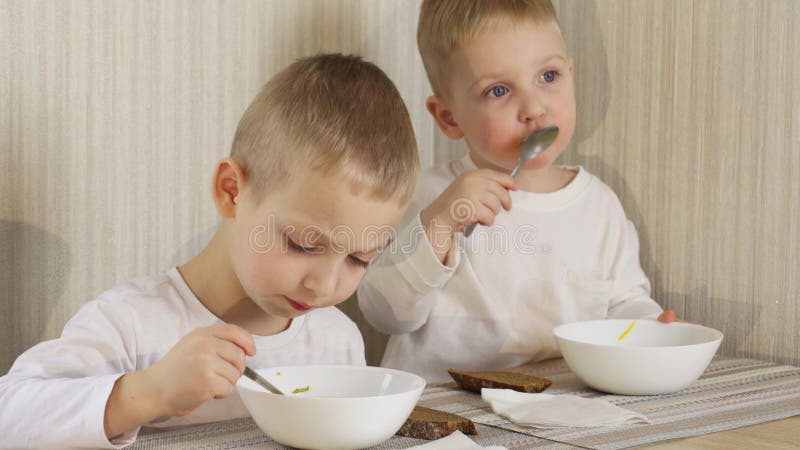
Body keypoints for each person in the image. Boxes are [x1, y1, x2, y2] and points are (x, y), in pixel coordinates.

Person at [0, 53, 419, 448]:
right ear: (231, 191)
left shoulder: (338, 343)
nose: (325, 285)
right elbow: (10, 413)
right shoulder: (132, 325)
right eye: (303, 244)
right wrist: (145, 392)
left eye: (359, 258)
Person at [357, 0, 676, 383]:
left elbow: (624, 303)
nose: (534, 108)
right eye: (498, 90)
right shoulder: (430, 196)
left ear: (571, 74)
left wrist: (649, 327)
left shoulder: (598, 206)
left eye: (548, 76)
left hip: (557, 404)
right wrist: (439, 224)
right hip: (441, 405)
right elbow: (384, 314)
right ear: (449, 117)